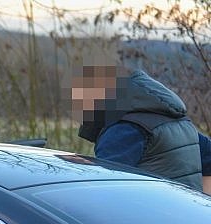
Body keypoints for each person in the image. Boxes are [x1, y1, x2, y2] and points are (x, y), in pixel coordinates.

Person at [72, 65, 211, 193]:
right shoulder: (179, 121)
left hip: (152, 215)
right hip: (190, 213)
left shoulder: (122, 130)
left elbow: (103, 188)